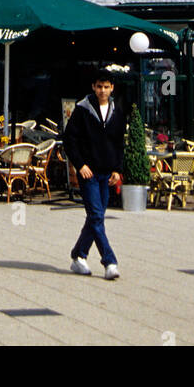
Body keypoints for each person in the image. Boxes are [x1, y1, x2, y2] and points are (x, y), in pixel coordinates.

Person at [63, 68, 125, 282]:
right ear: (93, 87)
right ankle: (109, 261)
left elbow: (119, 142)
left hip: (107, 171)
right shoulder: (82, 109)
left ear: (112, 88)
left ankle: (78, 256)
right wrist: (80, 165)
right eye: (99, 86)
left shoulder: (117, 110)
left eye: (106, 87)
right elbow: (69, 140)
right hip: (88, 172)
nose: (102, 90)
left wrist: (118, 168)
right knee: (97, 216)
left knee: (95, 217)